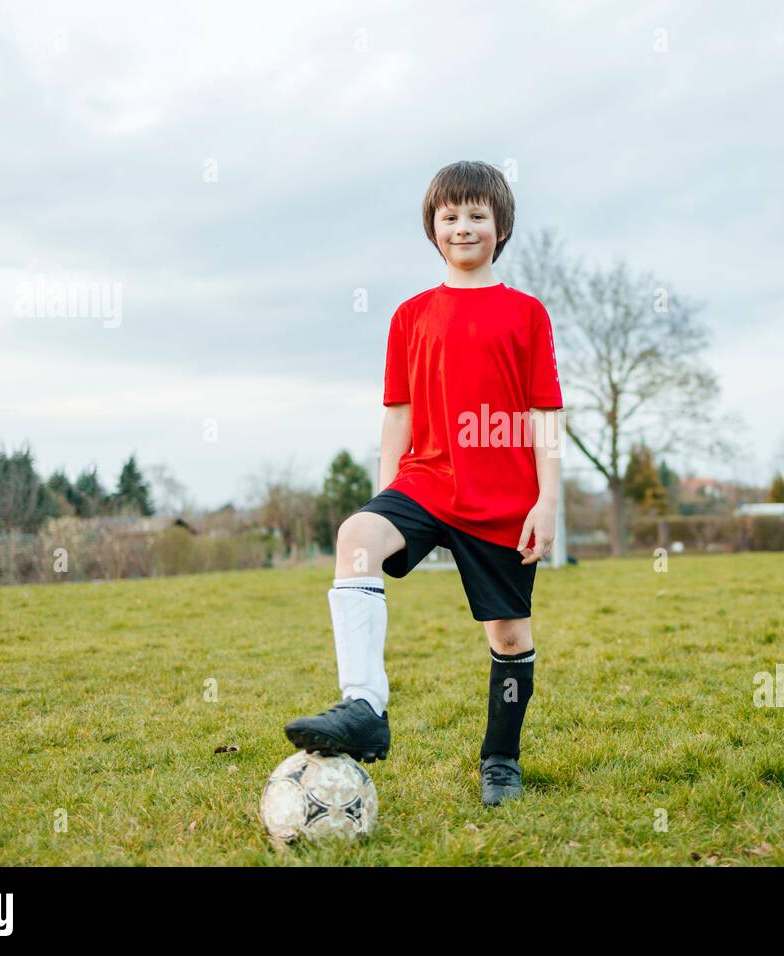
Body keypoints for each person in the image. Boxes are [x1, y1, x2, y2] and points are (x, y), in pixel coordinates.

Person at [284, 159, 564, 807]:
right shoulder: (411, 316)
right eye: (450, 217)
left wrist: (548, 500)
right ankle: (364, 707)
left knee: (510, 637)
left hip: (503, 500)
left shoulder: (527, 315)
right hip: (426, 482)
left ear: (501, 227)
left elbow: (546, 413)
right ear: (432, 230)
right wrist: (389, 495)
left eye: (476, 216)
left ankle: (501, 760)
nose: (463, 227)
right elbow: (398, 413)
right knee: (356, 536)